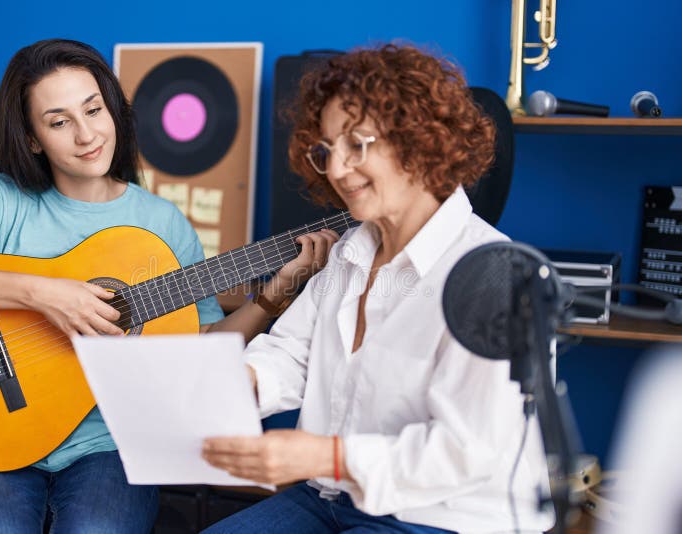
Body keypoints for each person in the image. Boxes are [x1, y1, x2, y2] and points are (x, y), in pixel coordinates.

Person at [0, 38, 337, 533]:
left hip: (111, 446)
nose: (86, 135)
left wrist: (272, 299)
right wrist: (46, 295)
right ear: (33, 138)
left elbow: (199, 350)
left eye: (94, 110)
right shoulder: (2, 200)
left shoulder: (162, 222)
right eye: (59, 122)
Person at [201, 43, 555, 534]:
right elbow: (292, 354)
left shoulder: (495, 276)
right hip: (328, 496)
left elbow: (468, 450)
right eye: (327, 150)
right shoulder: (352, 250)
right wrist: (245, 381)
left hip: (440, 516)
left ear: (420, 140)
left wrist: (327, 454)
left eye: (357, 144)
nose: (339, 169)